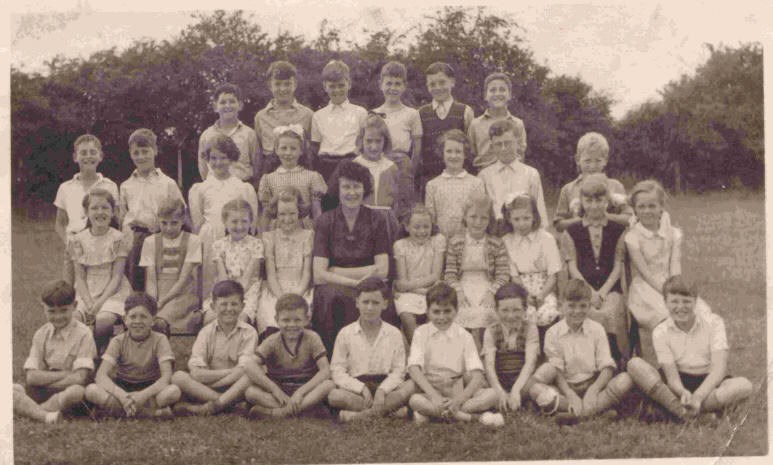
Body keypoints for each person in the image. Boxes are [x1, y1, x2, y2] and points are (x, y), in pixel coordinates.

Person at [626, 276, 753, 421]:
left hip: (707, 383)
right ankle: (687, 413)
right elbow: (672, 378)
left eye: (686, 301)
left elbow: (718, 370)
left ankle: (676, 411)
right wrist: (682, 392)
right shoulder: (660, 331)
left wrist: (698, 396)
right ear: (665, 303)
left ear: (695, 301)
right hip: (677, 386)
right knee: (634, 364)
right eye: (674, 302)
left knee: (744, 386)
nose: (680, 307)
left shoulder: (714, 323)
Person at [312, 160, 397, 353]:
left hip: (369, 283)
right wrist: (354, 281)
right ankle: (333, 359)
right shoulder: (325, 221)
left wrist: (335, 271)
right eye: (346, 187)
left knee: (377, 298)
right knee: (328, 297)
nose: (352, 192)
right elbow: (318, 275)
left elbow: (383, 269)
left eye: (356, 186)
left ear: (364, 188)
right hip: (337, 286)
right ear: (338, 189)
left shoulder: (377, 219)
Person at [625, 179, 711, 362]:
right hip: (645, 290)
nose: (647, 211)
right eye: (641, 207)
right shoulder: (633, 237)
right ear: (635, 210)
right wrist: (665, 292)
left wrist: (676, 290)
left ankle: (697, 358)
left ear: (661, 207)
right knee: (667, 314)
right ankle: (672, 361)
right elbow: (645, 273)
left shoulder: (673, 233)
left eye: (652, 206)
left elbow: (675, 266)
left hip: (671, 283)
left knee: (701, 310)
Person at [527, 279, 633, 425]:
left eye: (583, 306)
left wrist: (593, 390)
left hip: (592, 384)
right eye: (571, 306)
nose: (577, 311)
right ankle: (593, 412)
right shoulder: (553, 332)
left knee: (625, 380)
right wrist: (570, 394)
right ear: (561, 305)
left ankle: (574, 414)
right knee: (536, 390)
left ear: (589, 306)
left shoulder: (597, 329)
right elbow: (556, 371)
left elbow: (607, 367)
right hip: (565, 387)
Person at [407, 282, 503, 426]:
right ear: (427, 312)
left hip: (457, 390)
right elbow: (414, 368)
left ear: (456, 311)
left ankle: (434, 415)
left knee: (493, 394)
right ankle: (473, 418)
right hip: (431, 390)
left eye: (447, 311)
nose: (442, 317)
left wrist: (458, 400)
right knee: (415, 400)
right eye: (436, 312)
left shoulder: (464, 336)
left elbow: (477, 375)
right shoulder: (421, 333)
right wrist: (435, 396)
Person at [560, 174, 628, 364]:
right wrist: (590, 292)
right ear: (581, 202)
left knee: (611, 311)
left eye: (599, 200)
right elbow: (572, 266)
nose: (594, 205)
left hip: (610, 289)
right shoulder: (572, 231)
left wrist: (603, 292)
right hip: (583, 289)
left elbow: (618, 265)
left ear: (607, 201)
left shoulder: (617, 229)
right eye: (588, 201)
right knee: (589, 312)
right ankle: (588, 359)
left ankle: (615, 359)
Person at [328, 278, 416, 422]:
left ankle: (356, 416)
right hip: (358, 389)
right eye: (365, 302)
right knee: (334, 395)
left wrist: (382, 390)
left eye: (375, 303)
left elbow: (399, 371)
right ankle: (391, 413)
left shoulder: (394, 333)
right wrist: (361, 388)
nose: (370, 307)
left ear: (385, 304)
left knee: (412, 385)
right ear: (357, 302)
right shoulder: (345, 333)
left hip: (386, 388)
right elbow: (337, 371)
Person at [84, 293, 181, 419]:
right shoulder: (118, 341)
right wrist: (123, 397)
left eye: (143, 317)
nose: (137, 321)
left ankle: (116, 411)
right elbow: (101, 375)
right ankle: (151, 413)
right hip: (123, 386)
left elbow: (166, 376)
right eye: (133, 316)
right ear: (125, 319)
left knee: (173, 392)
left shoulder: (160, 339)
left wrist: (142, 396)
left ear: (153, 320)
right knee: (91, 390)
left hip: (150, 387)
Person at [13, 281, 96, 423]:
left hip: (68, 391)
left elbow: (80, 378)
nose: (58, 317)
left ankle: (35, 412)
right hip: (44, 390)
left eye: (64, 310)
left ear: (75, 306)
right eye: (51, 311)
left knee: (76, 391)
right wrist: (67, 374)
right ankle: (46, 415)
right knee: (10, 389)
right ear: (43, 308)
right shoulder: (41, 333)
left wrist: (44, 381)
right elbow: (31, 377)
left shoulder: (84, 334)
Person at [171, 280, 257, 416]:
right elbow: (196, 372)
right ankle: (228, 404)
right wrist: (227, 373)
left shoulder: (249, 332)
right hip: (208, 384)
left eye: (234, 304)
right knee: (178, 377)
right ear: (213, 307)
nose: (229, 309)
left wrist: (214, 381)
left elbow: (243, 370)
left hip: (236, 386)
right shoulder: (206, 332)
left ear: (242, 306)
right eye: (223, 304)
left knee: (251, 375)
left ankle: (208, 407)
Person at [189, 134, 258, 301]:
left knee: (236, 278)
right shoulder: (200, 189)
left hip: (237, 238)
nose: (218, 162)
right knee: (210, 279)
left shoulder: (243, 188)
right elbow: (198, 221)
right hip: (210, 238)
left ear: (232, 159)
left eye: (223, 158)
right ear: (207, 159)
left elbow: (252, 221)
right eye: (213, 158)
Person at [244, 293, 334, 419]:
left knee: (328, 385)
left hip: (305, 388)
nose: (292, 325)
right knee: (251, 392)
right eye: (286, 320)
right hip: (280, 390)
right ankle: (307, 410)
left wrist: (300, 393)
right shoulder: (272, 341)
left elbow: (325, 370)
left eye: (297, 320)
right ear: (276, 319)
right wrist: (275, 390)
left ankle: (279, 413)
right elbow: (249, 365)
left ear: (306, 319)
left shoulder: (312, 338)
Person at [119, 128, 185, 291]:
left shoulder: (167, 183)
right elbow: (122, 216)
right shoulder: (126, 185)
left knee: (157, 281)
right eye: (136, 153)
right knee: (135, 282)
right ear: (130, 154)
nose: (141, 157)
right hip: (133, 240)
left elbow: (181, 212)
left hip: (159, 237)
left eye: (145, 151)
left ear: (155, 150)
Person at [69, 188, 133, 355]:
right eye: (94, 208)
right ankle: (82, 353)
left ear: (112, 212)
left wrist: (99, 303)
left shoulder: (118, 239)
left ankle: (99, 350)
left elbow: (117, 276)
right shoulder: (78, 240)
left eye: (105, 208)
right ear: (86, 212)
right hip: (87, 291)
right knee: (74, 318)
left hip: (112, 292)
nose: (100, 212)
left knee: (103, 321)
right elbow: (80, 277)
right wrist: (89, 303)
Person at [443, 193, 509, 350]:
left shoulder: (496, 243)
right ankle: (464, 350)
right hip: (462, 284)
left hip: (487, 285)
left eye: (483, 218)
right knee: (460, 311)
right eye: (473, 217)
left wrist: (492, 292)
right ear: (465, 217)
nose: (478, 222)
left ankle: (485, 349)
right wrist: (458, 291)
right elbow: (450, 273)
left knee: (486, 312)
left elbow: (503, 274)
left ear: (489, 220)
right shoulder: (455, 242)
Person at [54, 134, 119, 284]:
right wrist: (68, 242)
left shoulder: (110, 186)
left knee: (99, 287)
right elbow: (59, 223)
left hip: (102, 245)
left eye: (93, 152)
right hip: (75, 246)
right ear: (75, 157)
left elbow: (116, 219)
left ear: (100, 156)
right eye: (83, 153)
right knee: (70, 288)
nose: (88, 156)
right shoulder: (65, 188)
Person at [501, 192, 562, 351]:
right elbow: (514, 276)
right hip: (521, 289)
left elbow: (553, 275)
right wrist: (525, 295)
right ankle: (525, 352)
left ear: (534, 217)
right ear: (509, 219)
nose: (522, 224)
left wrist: (541, 295)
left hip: (545, 288)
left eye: (526, 218)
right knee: (523, 313)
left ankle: (547, 350)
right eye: (516, 219)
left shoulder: (546, 239)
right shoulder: (506, 241)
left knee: (547, 312)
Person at [328, 114, 401, 242]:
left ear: (385, 141)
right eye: (369, 141)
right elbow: (338, 198)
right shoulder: (353, 166)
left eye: (378, 141)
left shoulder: (392, 168)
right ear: (361, 140)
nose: (374, 146)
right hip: (359, 220)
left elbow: (397, 201)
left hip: (386, 223)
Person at [257, 187, 314, 340]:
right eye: (282, 214)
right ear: (276, 214)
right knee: (270, 313)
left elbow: (307, 273)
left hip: (301, 288)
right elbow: (271, 274)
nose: (287, 219)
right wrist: (281, 297)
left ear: (299, 212)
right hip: (275, 289)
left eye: (292, 213)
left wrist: (297, 295)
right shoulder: (269, 238)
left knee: (303, 311)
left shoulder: (308, 236)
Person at [140, 198, 203, 335]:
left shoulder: (193, 240)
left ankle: (182, 321)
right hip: (158, 294)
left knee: (159, 320)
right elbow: (151, 279)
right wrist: (153, 302)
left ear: (183, 220)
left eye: (174, 223)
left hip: (182, 294)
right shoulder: (150, 242)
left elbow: (183, 280)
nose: (169, 228)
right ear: (158, 219)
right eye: (164, 223)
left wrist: (162, 302)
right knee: (147, 317)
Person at [477, 283, 540, 413]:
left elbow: (530, 363)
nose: (510, 316)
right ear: (496, 310)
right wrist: (500, 391)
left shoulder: (530, 328)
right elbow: (489, 365)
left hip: (522, 382)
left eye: (516, 310)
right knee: (476, 380)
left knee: (540, 386)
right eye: (504, 310)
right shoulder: (491, 331)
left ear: (525, 309)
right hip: (498, 382)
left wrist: (516, 390)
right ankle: (509, 400)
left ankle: (520, 398)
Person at [371, 61, 422, 218]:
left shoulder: (412, 114)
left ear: (404, 86)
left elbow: (417, 147)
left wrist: (410, 169)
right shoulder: (373, 113)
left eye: (398, 84)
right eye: (389, 83)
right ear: (380, 85)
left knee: (404, 208)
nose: (393, 88)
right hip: (380, 161)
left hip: (402, 164)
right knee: (381, 205)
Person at [202, 199, 264, 327]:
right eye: (234, 222)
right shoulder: (218, 245)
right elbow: (222, 277)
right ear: (225, 222)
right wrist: (227, 301)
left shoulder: (256, 244)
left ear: (251, 222)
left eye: (244, 221)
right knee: (209, 318)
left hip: (247, 291)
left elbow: (247, 279)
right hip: (223, 290)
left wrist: (234, 302)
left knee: (239, 319)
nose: (239, 226)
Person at [416, 62, 475, 196]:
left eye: (442, 82)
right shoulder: (420, 114)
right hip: (430, 180)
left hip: (459, 180)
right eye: (432, 84)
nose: (437, 88)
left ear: (452, 82)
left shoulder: (465, 111)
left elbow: (471, 148)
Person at [553, 132, 632, 232]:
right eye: (587, 161)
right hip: (579, 240)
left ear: (606, 160)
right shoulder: (568, 189)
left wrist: (605, 216)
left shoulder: (616, 186)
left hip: (610, 240)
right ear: (577, 160)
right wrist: (582, 221)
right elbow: (558, 225)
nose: (593, 166)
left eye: (598, 160)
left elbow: (630, 219)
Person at [477, 119, 547, 224]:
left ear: (517, 143)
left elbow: (540, 213)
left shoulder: (531, 174)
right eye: (498, 144)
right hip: (496, 231)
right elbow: (481, 212)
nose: (503, 148)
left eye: (508, 143)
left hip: (523, 230)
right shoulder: (484, 176)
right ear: (492, 147)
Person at [393, 204, 446, 343]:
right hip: (411, 294)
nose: (422, 231)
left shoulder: (437, 240)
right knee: (406, 316)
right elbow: (402, 280)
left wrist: (408, 286)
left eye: (426, 227)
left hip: (432, 290)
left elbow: (435, 275)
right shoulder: (400, 245)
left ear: (432, 226)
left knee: (434, 314)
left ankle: (432, 349)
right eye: (416, 227)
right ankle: (416, 350)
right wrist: (421, 290)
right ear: (407, 227)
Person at [257, 126, 326, 229]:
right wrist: (264, 234)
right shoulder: (268, 179)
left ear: (301, 151)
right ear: (276, 150)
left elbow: (316, 211)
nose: (288, 153)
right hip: (278, 228)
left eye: (293, 148)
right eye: (284, 148)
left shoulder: (312, 177)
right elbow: (267, 213)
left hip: (303, 227)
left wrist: (319, 232)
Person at [310, 59, 368, 182]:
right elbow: (315, 147)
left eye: (341, 85)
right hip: (325, 166)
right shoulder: (318, 116)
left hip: (352, 163)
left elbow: (364, 144)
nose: (337, 90)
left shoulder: (360, 112)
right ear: (325, 87)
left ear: (349, 84)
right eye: (332, 86)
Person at [254, 61, 314, 177]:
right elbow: (258, 153)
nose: (282, 89)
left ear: (295, 84)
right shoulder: (261, 117)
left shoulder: (308, 115)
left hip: (300, 170)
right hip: (270, 171)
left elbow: (311, 151)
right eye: (277, 84)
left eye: (287, 84)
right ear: (270, 85)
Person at [424, 129, 485, 239]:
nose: (453, 156)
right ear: (442, 153)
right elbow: (431, 219)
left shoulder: (476, 183)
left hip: (468, 239)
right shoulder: (432, 185)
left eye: (458, 152)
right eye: (449, 151)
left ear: (465, 154)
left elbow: (478, 215)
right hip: (441, 240)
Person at [198, 82, 259, 184]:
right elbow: (203, 169)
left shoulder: (249, 134)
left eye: (232, 101)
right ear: (215, 107)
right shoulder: (206, 136)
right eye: (222, 102)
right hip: (215, 186)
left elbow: (257, 166)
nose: (227, 105)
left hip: (242, 185)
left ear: (240, 105)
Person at [467, 72, 527, 171]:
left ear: (509, 95)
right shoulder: (475, 124)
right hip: (483, 176)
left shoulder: (518, 124)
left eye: (502, 90)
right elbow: (471, 154)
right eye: (492, 90)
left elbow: (520, 155)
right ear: (485, 96)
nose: (497, 94)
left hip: (511, 176)